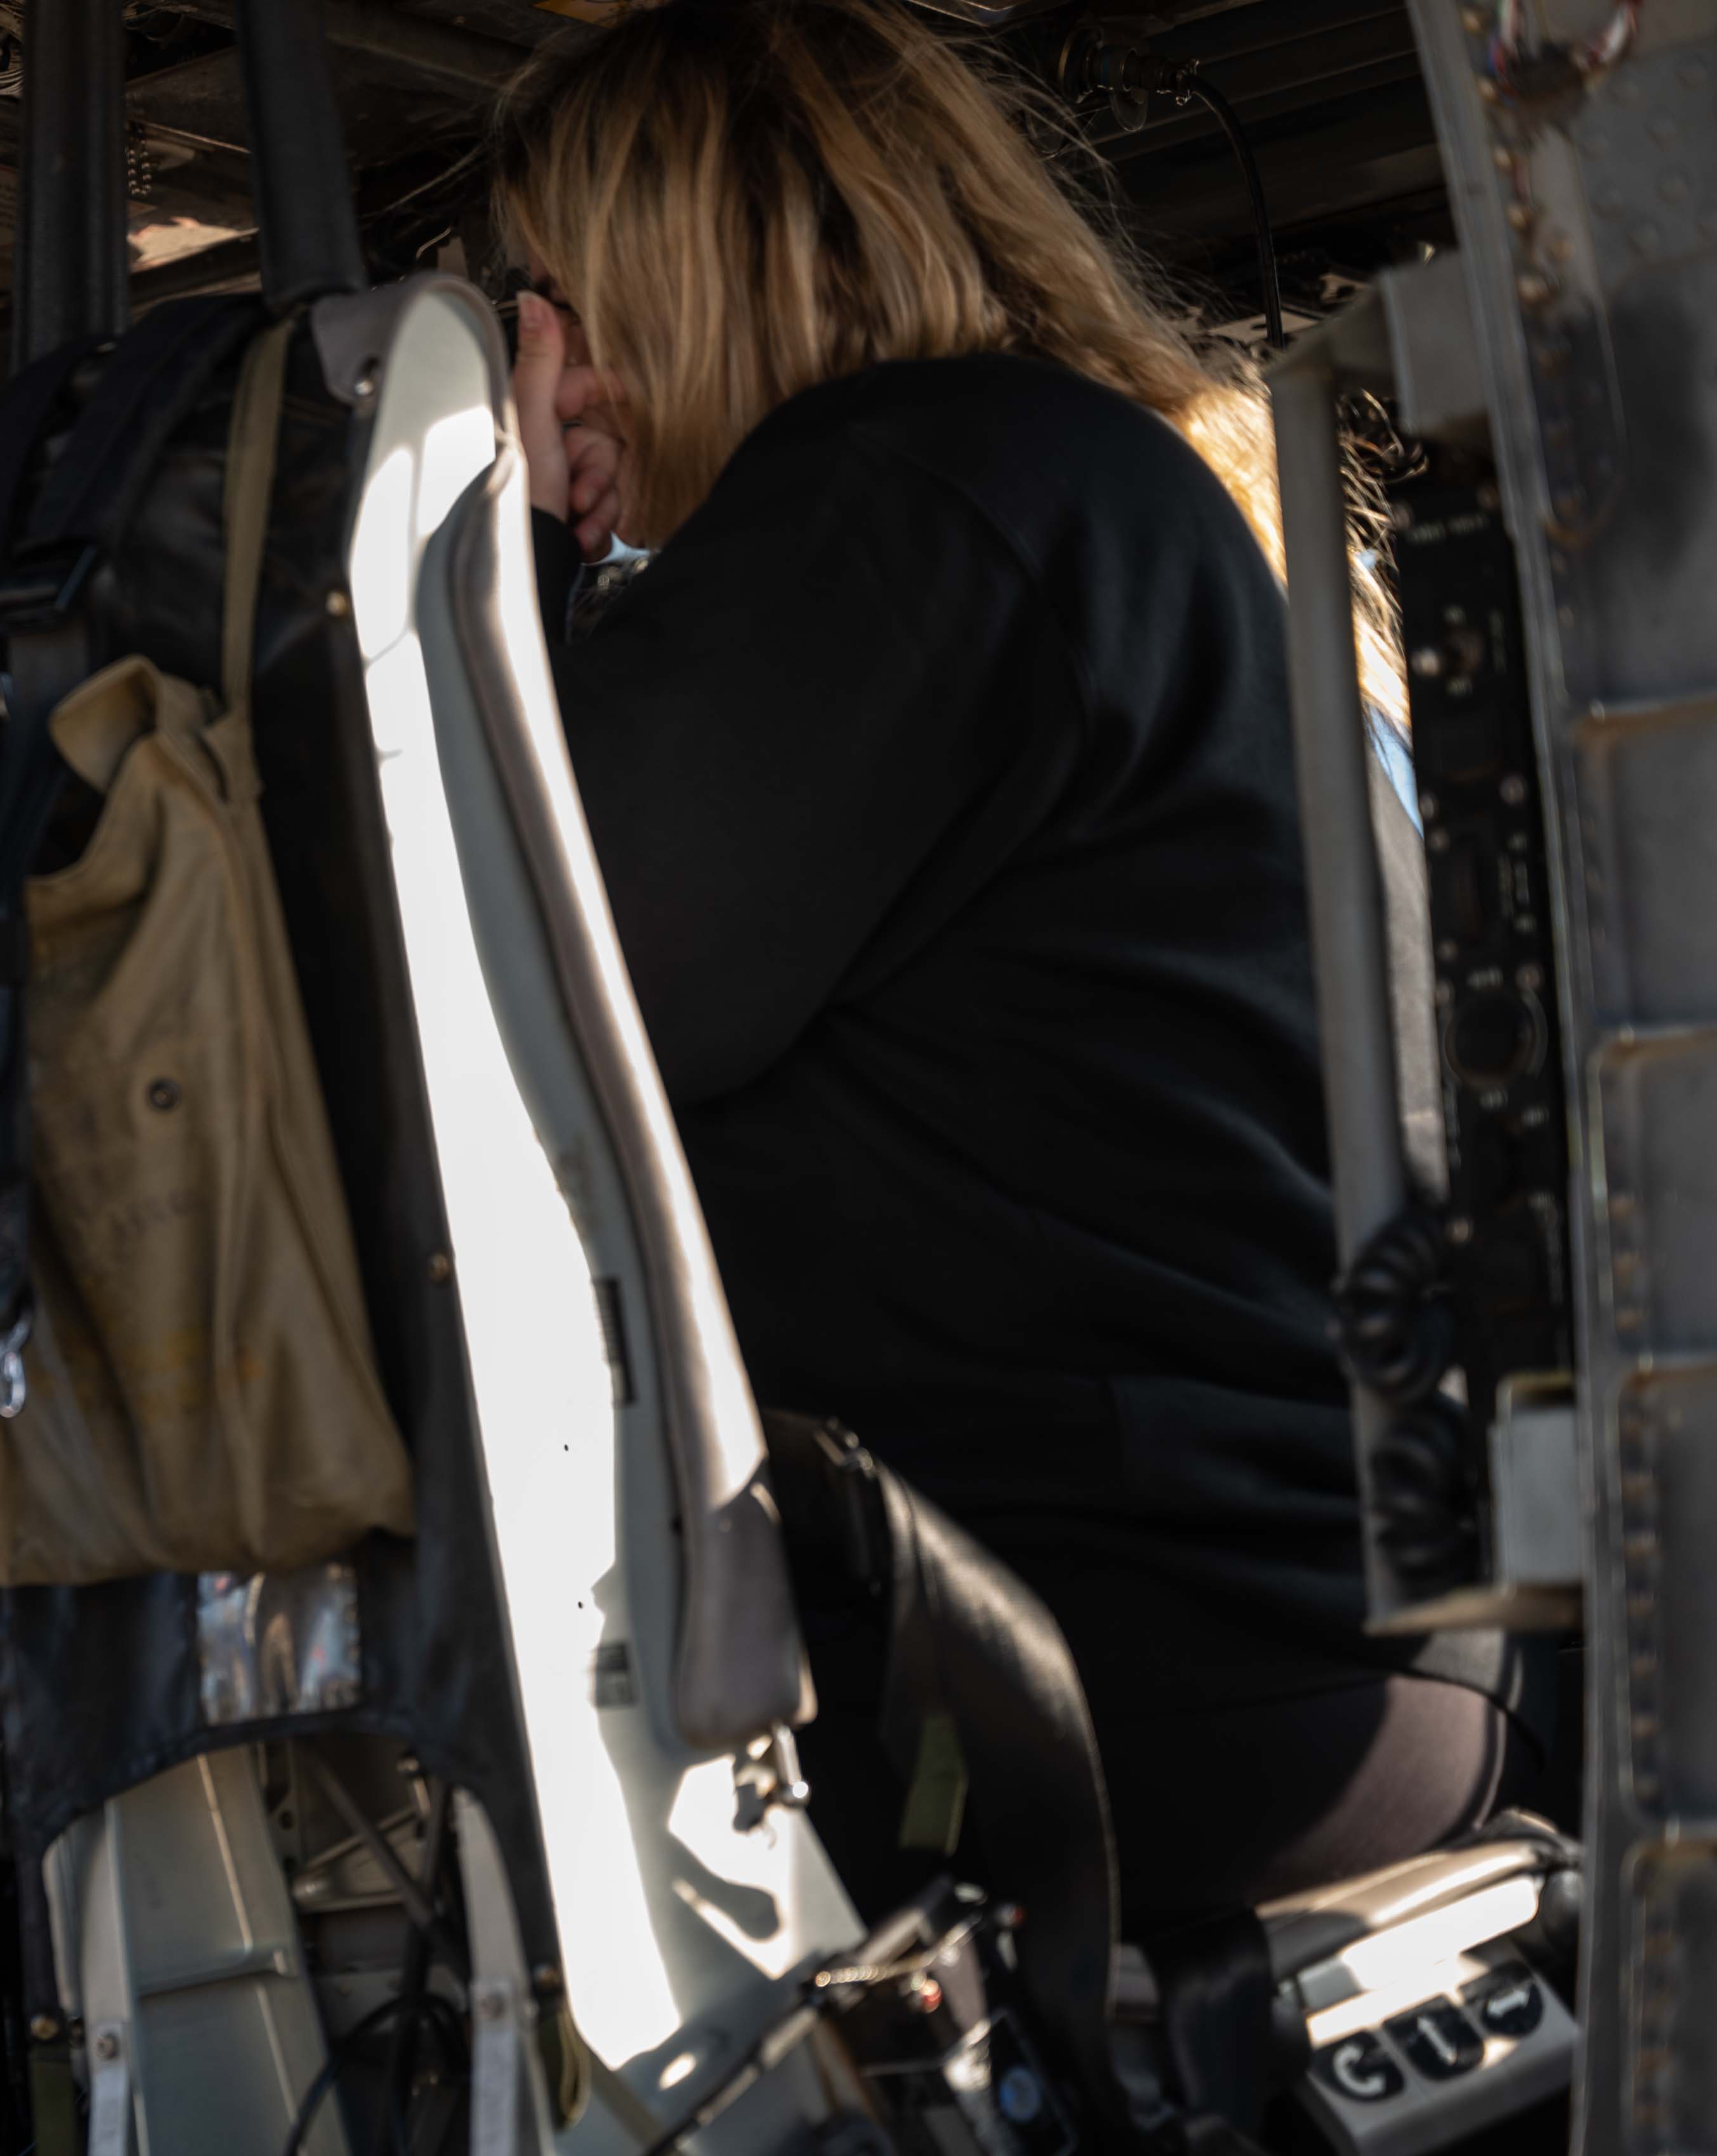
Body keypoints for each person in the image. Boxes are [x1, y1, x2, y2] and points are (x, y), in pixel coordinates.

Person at [486, 0, 1516, 1938]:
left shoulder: (904, 500)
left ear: (691, 270)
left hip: (1120, 1665)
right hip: (1308, 1639)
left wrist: (496, 567)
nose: (546, 380)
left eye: (557, 307)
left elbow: (529, 1003)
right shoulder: (1061, 485)